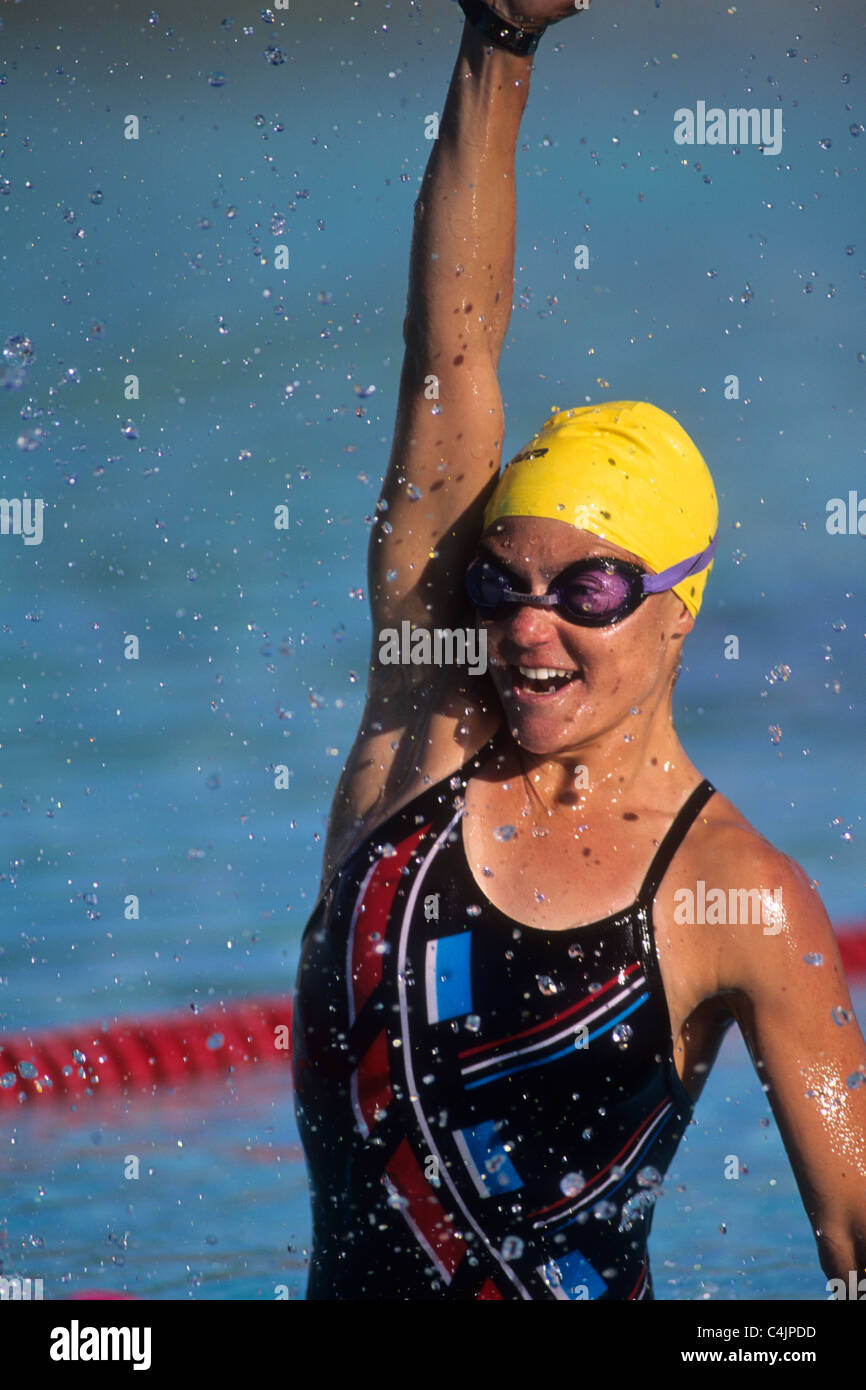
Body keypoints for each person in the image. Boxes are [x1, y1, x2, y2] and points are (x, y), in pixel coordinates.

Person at [292, 0, 866, 1300]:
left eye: (588, 586)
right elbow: (450, 349)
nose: (526, 626)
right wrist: (496, 47)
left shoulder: (737, 897)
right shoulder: (424, 733)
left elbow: (851, 1239)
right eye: (500, 582)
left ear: (677, 604)